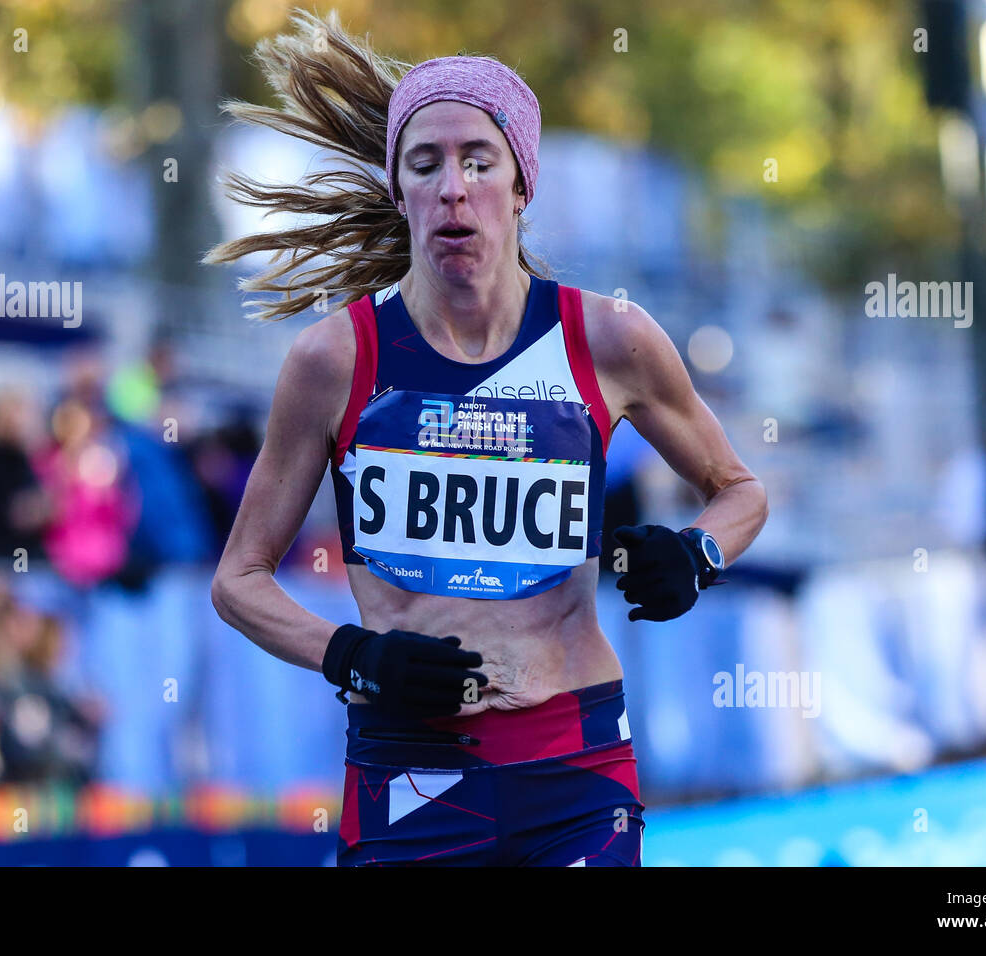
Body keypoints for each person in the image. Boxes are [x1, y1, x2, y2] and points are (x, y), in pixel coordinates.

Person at [208, 9, 767, 867]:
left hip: (577, 758)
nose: (452, 188)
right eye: (425, 165)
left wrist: (696, 554)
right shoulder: (334, 357)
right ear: (399, 192)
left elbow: (741, 490)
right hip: (411, 765)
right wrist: (352, 654)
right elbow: (238, 580)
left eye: (479, 161)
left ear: (522, 185)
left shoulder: (609, 338)